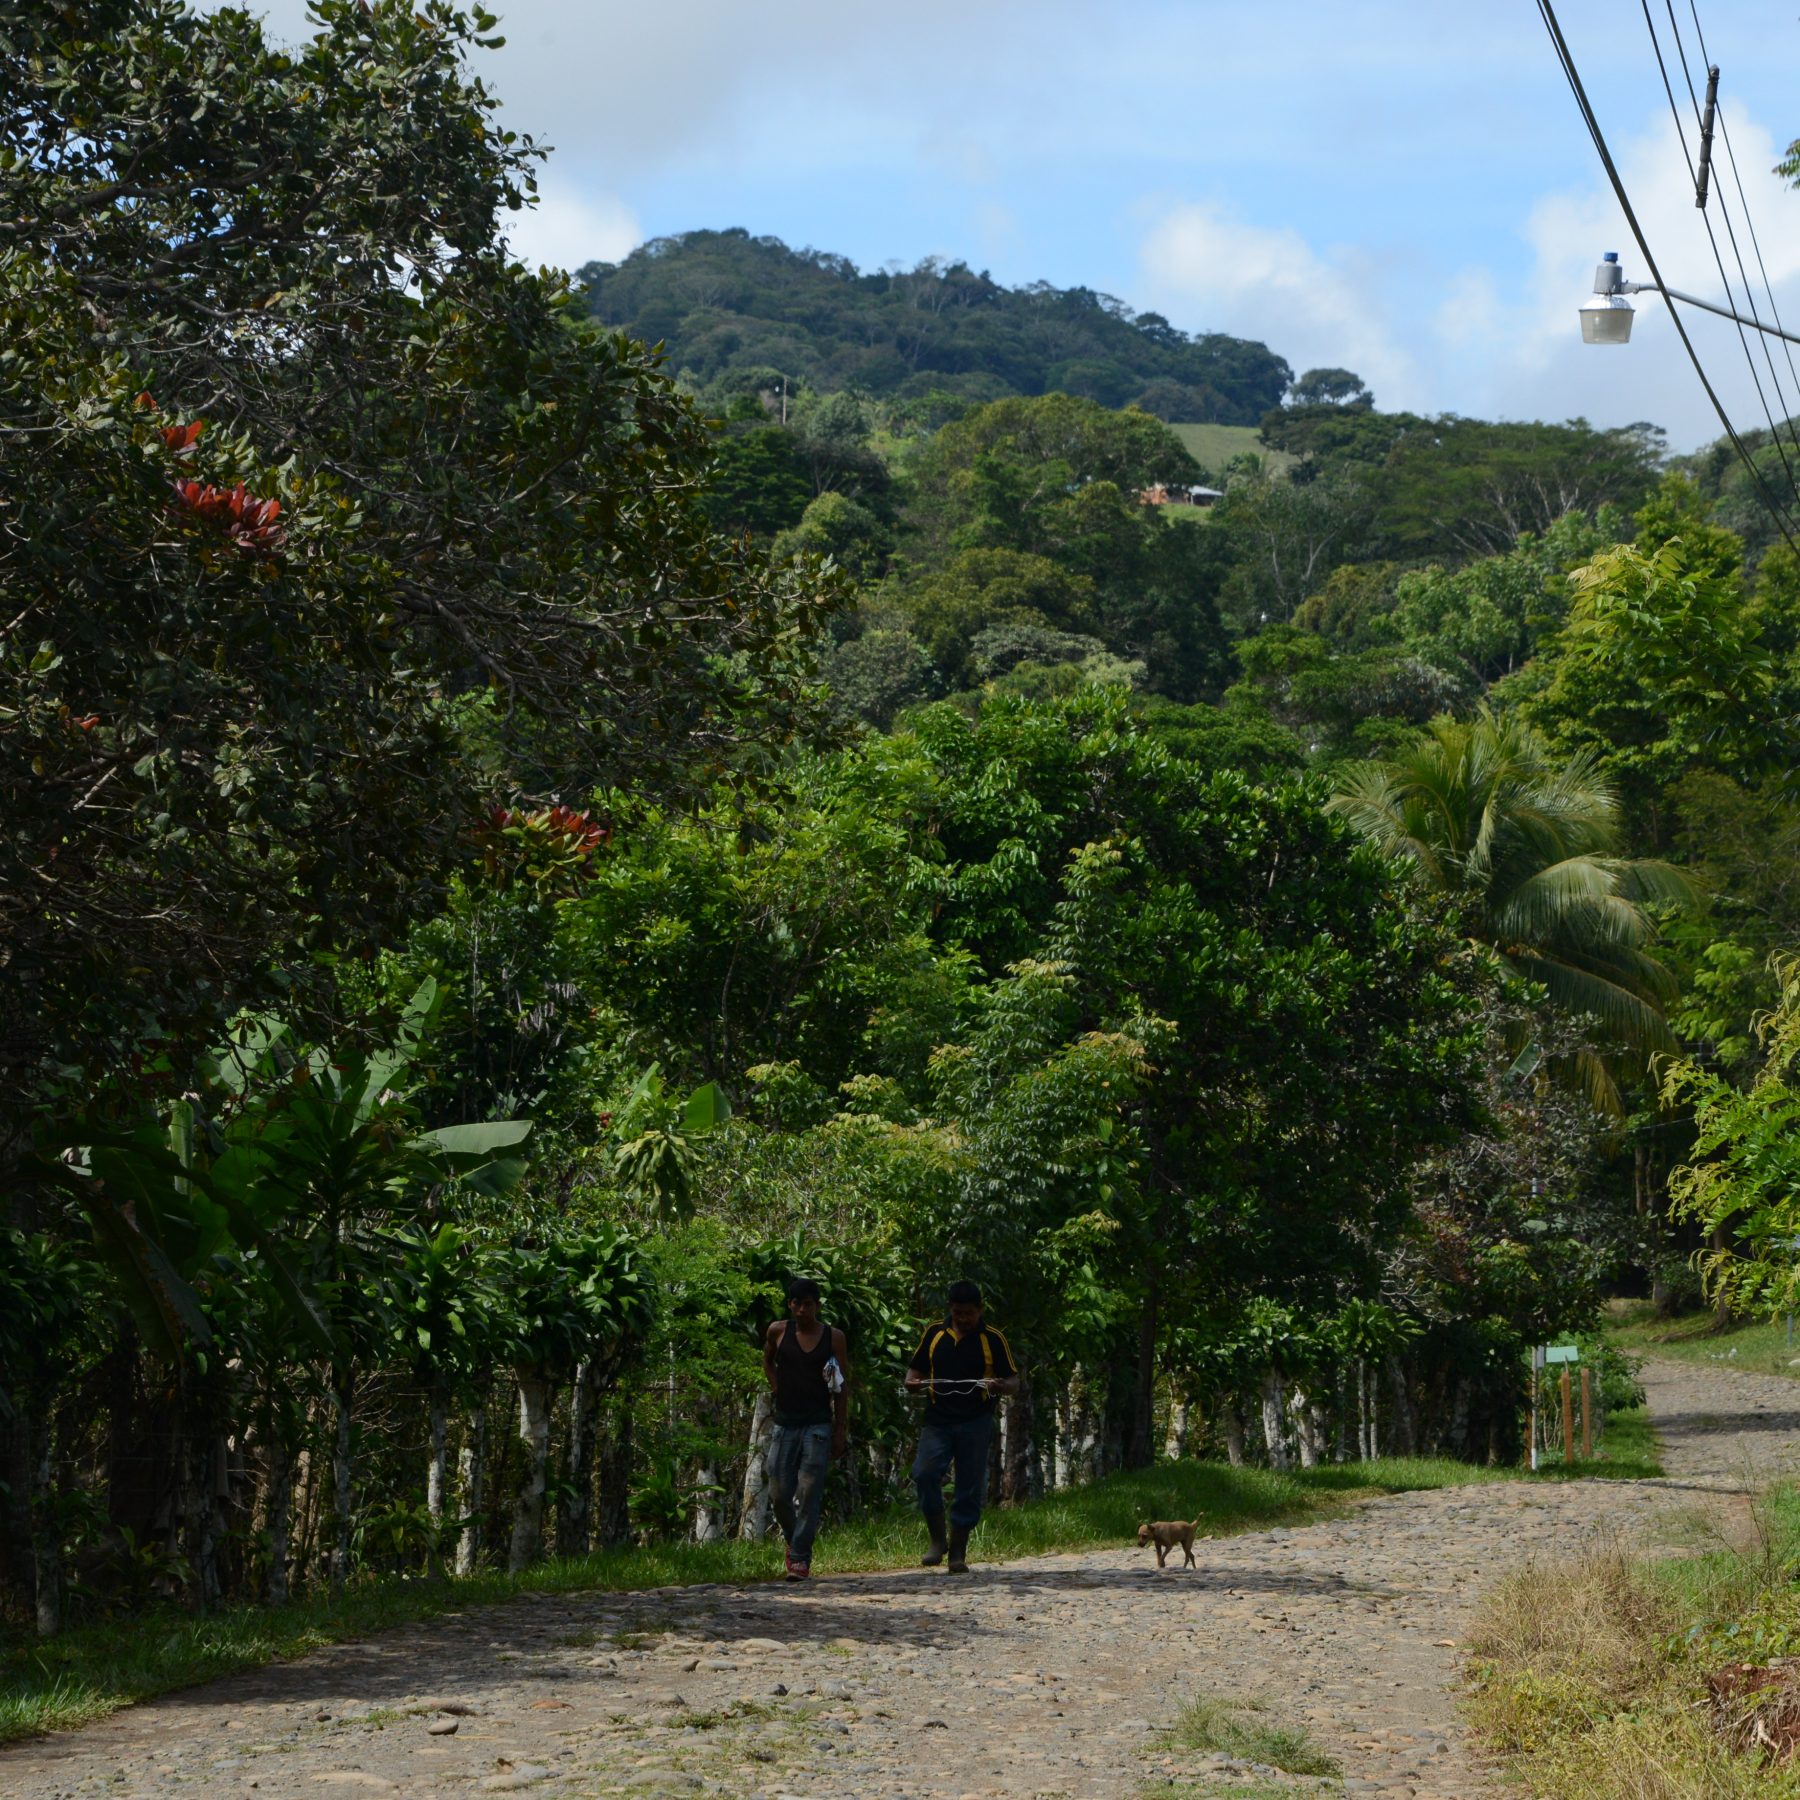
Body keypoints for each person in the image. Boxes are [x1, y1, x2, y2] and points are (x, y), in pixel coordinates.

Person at [904, 1280, 1020, 1573]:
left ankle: (958, 1549)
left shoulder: (993, 1339)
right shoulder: (934, 1333)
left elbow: (1014, 1382)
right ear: (950, 1309)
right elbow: (915, 1371)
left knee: (969, 1485)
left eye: (969, 1313)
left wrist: (1001, 1386)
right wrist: (912, 1383)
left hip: (976, 1421)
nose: (964, 1319)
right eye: (958, 1313)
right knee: (924, 1473)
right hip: (937, 1420)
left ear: (980, 1310)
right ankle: (937, 1539)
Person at [761, 1277, 849, 1580]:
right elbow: (767, 1362)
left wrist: (840, 1429)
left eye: (808, 1305)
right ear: (790, 1304)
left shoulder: (833, 1338)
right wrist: (777, 1387)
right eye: (797, 1304)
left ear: (817, 1306)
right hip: (785, 1423)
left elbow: (842, 1385)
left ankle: (800, 1558)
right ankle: (793, 1539)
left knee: (809, 1491)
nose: (802, 1310)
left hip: (818, 1424)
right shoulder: (778, 1331)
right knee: (778, 1492)